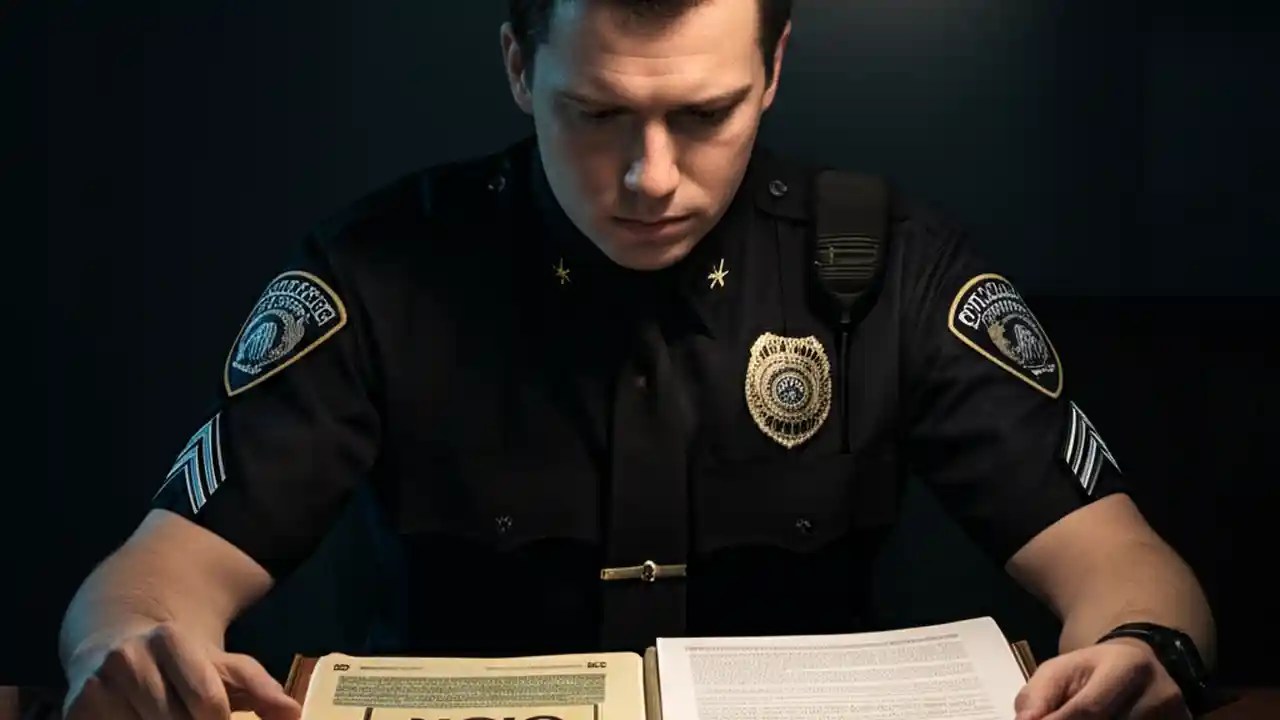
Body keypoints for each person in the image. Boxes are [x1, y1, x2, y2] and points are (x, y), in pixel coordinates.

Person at [59, 1, 1218, 719]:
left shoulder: (896, 267)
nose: (649, 176)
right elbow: (148, 582)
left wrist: (1141, 647)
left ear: (773, 68)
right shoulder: (381, 272)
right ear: (519, 66)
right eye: (596, 114)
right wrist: (127, 651)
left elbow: (1126, 565)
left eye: (704, 114)